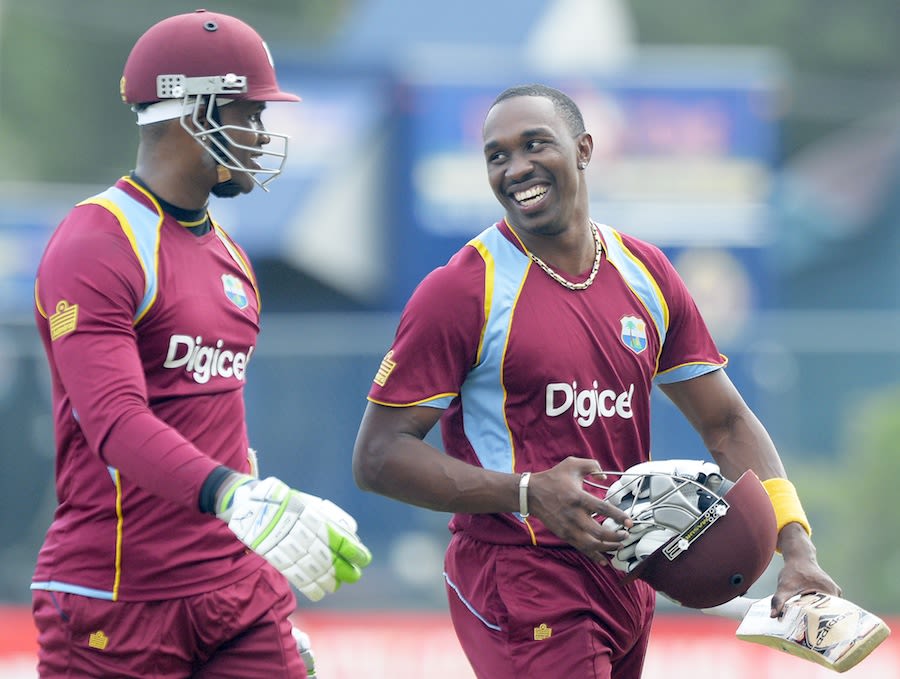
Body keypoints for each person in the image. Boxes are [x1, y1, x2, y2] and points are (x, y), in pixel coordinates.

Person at [352, 83, 841, 679]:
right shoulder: (461, 290)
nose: (516, 167)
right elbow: (377, 458)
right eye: (497, 155)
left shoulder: (647, 273)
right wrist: (528, 493)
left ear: (583, 149)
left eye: (535, 144)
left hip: (628, 577)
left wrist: (796, 548)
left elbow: (727, 422)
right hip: (521, 574)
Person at [31, 10, 371, 678]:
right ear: (193, 111)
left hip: (234, 592)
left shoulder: (232, 257)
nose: (262, 134)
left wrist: (260, 505)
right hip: (117, 599)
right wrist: (233, 494)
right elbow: (116, 421)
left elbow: (213, 424)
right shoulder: (96, 241)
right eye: (249, 114)